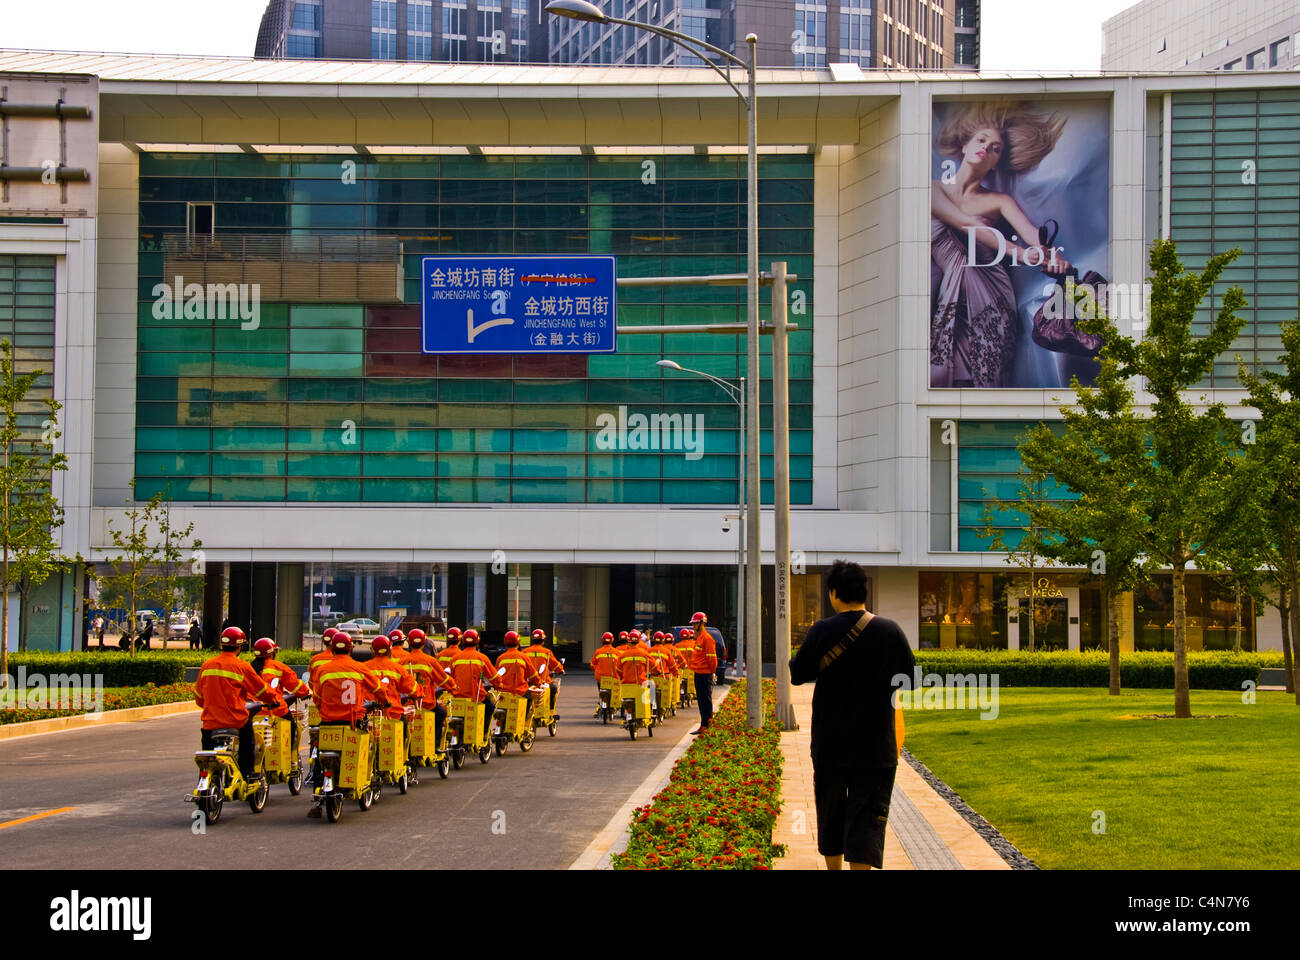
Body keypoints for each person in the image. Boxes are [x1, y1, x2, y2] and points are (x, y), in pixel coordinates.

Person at [929, 102, 1070, 388]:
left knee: (984, 382)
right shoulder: (931, 189)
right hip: (945, 297)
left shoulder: (1000, 201)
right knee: (937, 379)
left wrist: (1051, 257)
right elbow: (969, 226)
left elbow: (1032, 235)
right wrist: (1021, 252)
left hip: (990, 299)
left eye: (995, 148)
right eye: (981, 140)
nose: (986, 148)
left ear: (997, 161)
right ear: (965, 144)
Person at [789, 559, 915, 871]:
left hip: (831, 742)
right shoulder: (890, 631)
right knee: (868, 815)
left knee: (830, 810)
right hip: (876, 744)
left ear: (833, 593)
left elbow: (797, 673)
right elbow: (910, 679)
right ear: (864, 592)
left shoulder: (822, 631)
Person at [309, 631, 385, 817]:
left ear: (332, 649)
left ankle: (318, 786)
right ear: (351, 648)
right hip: (353, 722)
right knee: (367, 746)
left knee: (321, 755)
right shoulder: (358, 668)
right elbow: (377, 688)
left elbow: (316, 697)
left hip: (328, 722)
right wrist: (384, 700)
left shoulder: (322, 669)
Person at [194, 627, 279, 780]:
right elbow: (261, 691)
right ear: (240, 646)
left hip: (210, 723)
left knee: (207, 759)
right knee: (248, 746)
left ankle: (206, 779)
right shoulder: (242, 667)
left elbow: (199, 698)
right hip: (236, 721)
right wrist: (273, 699)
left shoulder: (207, 666)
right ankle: (246, 776)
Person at [250, 636, 311, 759]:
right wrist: (306, 692)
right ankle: (289, 759)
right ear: (272, 653)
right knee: (292, 729)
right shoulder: (277, 667)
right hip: (275, 711)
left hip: (252, 711)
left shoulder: (247, 668)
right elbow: (295, 685)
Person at [403, 628, 456, 750]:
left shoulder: (402, 661)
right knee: (442, 713)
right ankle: (435, 745)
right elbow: (443, 680)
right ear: (423, 643)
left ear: (409, 643)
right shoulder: (430, 661)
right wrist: (454, 687)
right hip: (426, 702)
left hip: (408, 703)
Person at [448, 629, 498, 739]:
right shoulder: (482, 658)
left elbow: (450, 678)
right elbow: (494, 677)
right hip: (476, 696)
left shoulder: (455, 658)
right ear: (477, 642)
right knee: (490, 707)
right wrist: (499, 684)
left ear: (463, 642)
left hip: (458, 696)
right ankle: (484, 733)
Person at [493, 631, 543, 726]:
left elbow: (496, 676)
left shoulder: (501, 658)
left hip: (504, 693)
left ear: (505, 643)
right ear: (518, 642)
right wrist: (538, 683)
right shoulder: (523, 657)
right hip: (520, 692)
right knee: (529, 698)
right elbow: (532, 675)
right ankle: (522, 722)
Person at [685, 615, 717, 735]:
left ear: (701, 623)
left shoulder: (707, 639)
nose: (693, 626)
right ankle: (704, 723)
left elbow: (712, 659)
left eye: (694, 624)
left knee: (705, 700)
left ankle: (706, 724)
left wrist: (712, 672)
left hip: (705, 674)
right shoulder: (699, 638)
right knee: (701, 700)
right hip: (699, 673)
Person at [521, 628, 565, 711]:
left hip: (528, 682)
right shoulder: (547, 652)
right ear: (543, 640)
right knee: (553, 689)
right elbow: (555, 666)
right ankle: (550, 710)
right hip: (543, 682)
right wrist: (561, 670)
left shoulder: (524, 652)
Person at [589, 631, 620, 718]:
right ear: (612, 640)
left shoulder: (598, 652)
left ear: (602, 640)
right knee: (614, 693)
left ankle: (603, 703)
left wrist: (597, 669)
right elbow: (621, 666)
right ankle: (613, 707)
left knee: (602, 692)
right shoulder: (617, 652)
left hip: (601, 679)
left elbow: (592, 664)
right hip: (614, 678)